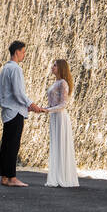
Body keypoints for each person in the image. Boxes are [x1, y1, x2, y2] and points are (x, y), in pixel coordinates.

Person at [0, 41, 46, 186]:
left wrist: (28, 107)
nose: (24, 55)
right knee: (13, 145)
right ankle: (12, 178)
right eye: (23, 52)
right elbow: (19, 93)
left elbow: (8, 93)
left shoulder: (5, 69)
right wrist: (32, 104)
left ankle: (4, 177)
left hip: (7, 111)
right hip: (15, 113)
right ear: (17, 52)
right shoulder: (16, 69)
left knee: (6, 145)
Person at [42, 58, 78, 188]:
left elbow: (63, 104)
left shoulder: (63, 83)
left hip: (60, 117)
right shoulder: (56, 83)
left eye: (55, 65)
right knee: (56, 145)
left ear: (61, 68)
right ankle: (57, 176)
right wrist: (44, 109)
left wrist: (47, 110)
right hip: (54, 117)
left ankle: (63, 177)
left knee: (61, 145)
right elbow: (52, 102)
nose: (52, 67)